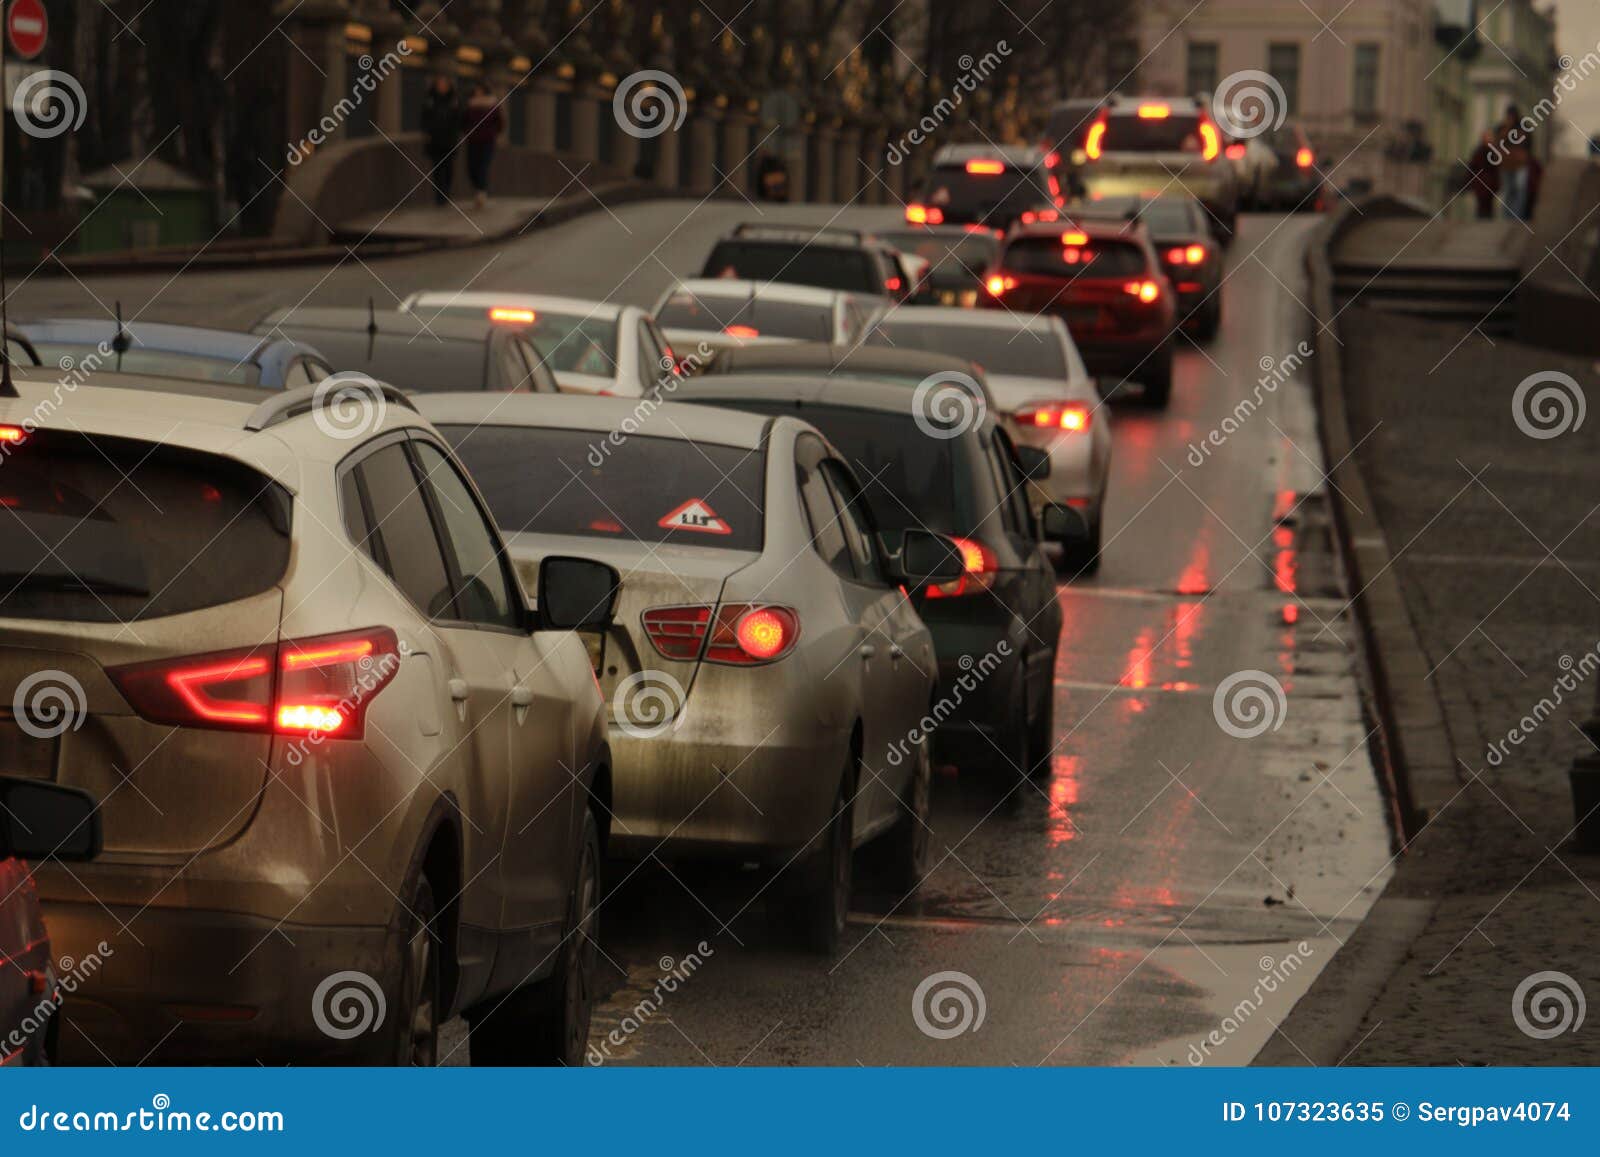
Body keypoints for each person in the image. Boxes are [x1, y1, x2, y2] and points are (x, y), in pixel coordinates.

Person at [421, 73, 459, 206]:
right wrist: (426, 132)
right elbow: (424, 118)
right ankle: (439, 196)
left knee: (448, 169)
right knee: (437, 169)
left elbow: (458, 121)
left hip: (449, 141)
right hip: (434, 141)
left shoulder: (454, 102)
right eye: (439, 84)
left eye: (444, 85)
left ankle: (446, 191)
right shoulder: (429, 101)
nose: (442, 87)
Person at [463, 82, 504, 209]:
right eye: (476, 90)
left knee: (483, 166)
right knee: (471, 167)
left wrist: (494, 133)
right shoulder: (470, 105)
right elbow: (463, 121)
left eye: (480, 90)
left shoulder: (492, 105)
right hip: (473, 141)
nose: (478, 93)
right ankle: (478, 189)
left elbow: (500, 122)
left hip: (487, 141)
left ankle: (481, 192)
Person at [1498, 104, 1531, 221]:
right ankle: (1507, 217)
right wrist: (1507, 127)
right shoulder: (1502, 127)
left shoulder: (1524, 127)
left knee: (1520, 189)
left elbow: (1528, 146)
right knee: (1508, 190)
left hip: (1520, 164)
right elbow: (1498, 142)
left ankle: (1516, 216)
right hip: (1507, 164)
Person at [1466, 131, 1500, 220]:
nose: (1489, 140)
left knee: (1488, 205)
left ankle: (1486, 219)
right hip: (1481, 183)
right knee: (1482, 205)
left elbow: (1496, 169)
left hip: (1489, 184)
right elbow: (1472, 168)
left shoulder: (1493, 152)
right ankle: (1482, 219)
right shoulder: (1479, 152)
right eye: (1487, 138)